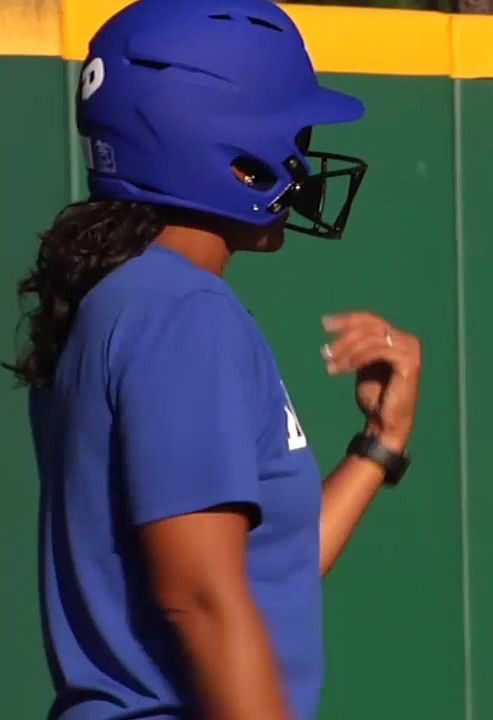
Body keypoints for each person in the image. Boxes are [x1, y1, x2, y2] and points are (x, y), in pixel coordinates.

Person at [4, 1, 422, 718]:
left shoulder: (120, 299)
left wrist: (377, 447)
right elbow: (200, 598)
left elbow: (260, 574)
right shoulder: (182, 311)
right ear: (227, 148)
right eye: (293, 131)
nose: (303, 156)